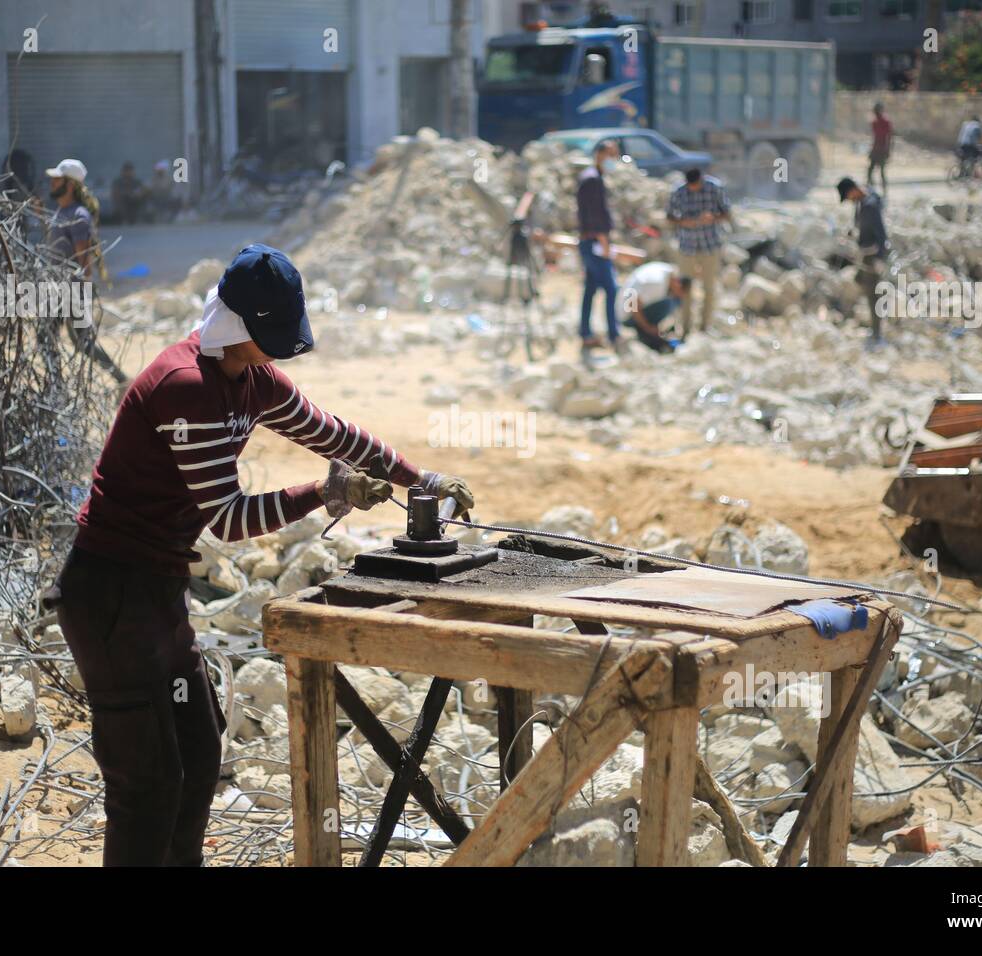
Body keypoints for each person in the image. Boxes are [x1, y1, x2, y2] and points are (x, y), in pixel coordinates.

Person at [45, 244, 474, 866]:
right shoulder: (185, 387)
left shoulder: (250, 377)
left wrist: (420, 478)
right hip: (111, 596)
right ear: (243, 327)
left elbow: (331, 432)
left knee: (198, 757)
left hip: (160, 592)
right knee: (147, 784)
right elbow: (229, 517)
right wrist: (323, 493)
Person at [44, 158, 127, 384]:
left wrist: (78, 294)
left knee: (78, 342)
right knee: (60, 339)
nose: (51, 183)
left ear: (69, 185)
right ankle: (57, 387)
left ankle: (120, 379)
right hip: (58, 286)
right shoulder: (61, 211)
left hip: (70, 288)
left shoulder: (78, 216)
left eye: (56, 180)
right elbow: (57, 245)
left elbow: (84, 263)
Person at [666, 166, 730, 337]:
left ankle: (705, 327)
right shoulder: (678, 192)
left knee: (709, 288)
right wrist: (683, 222)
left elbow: (727, 213)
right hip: (687, 247)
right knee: (685, 288)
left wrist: (713, 218)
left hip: (710, 245)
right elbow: (669, 217)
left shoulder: (715, 188)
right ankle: (685, 328)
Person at [576, 140, 622, 358]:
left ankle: (586, 333)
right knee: (611, 288)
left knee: (591, 289)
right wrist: (604, 243)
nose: (614, 159)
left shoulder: (592, 178)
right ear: (601, 154)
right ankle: (614, 334)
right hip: (594, 242)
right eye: (612, 154)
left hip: (590, 242)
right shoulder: (592, 180)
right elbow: (594, 215)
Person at [837, 176, 890, 346]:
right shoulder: (862, 200)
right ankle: (873, 326)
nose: (850, 200)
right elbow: (862, 226)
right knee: (861, 282)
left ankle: (877, 334)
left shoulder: (870, 206)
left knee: (873, 295)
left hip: (872, 257)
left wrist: (880, 258)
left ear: (853, 190)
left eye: (848, 196)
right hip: (865, 255)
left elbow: (881, 234)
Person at [618, 261, 691, 354]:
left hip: (628, 309)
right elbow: (632, 305)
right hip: (626, 316)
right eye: (680, 293)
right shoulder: (658, 283)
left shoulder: (666, 271)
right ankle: (645, 335)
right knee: (669, 303)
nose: (679, 296)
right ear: (678, 284)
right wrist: (648, 328)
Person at [868, 102, 893, 195]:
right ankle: (871, 190)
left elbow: (889, 137)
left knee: (882, 172)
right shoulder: (874, 122)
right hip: (875, 149)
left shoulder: (886, 122)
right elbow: (875, 137)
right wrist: (872, 149)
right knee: (870, 171)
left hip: (882, 150)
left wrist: (888, 150)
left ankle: (884, 192)